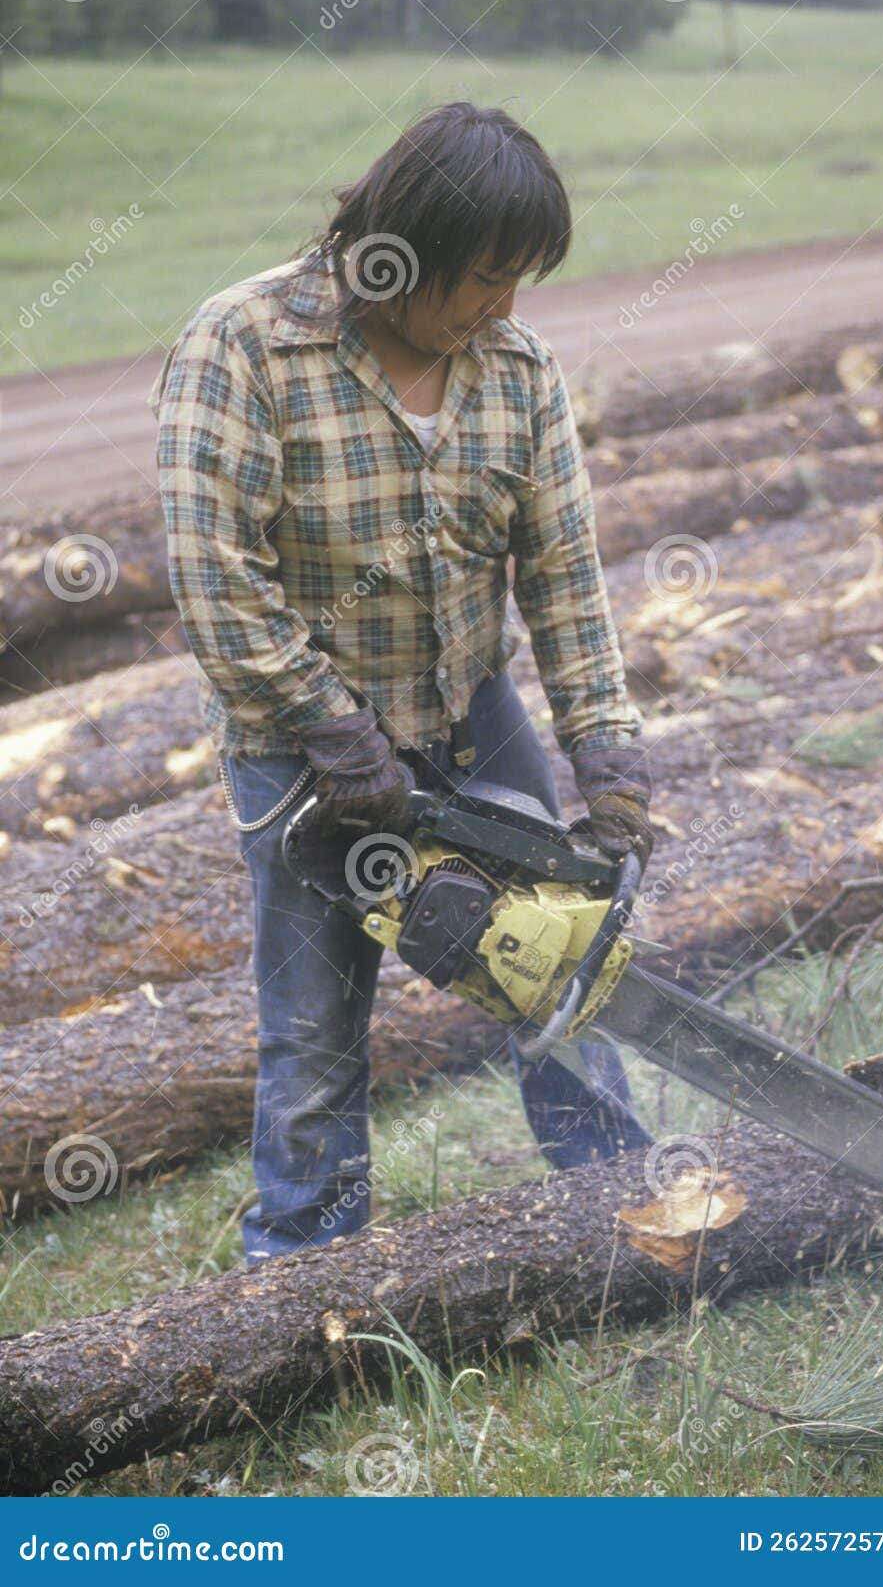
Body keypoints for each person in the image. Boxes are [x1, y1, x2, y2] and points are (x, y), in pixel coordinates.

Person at [151, 101, 656, 1264]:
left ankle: (630, 1218)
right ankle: (301, 1284)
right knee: (317, 1038)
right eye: (485, 277)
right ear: (405, 248)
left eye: (519, 280)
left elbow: (566, 583)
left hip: (471, 714)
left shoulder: (517, 373)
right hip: (302, 747)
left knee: (568, 971)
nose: (504, 306)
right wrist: (333, 730)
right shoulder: (243, 348)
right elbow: (215, 581)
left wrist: (607, 756)